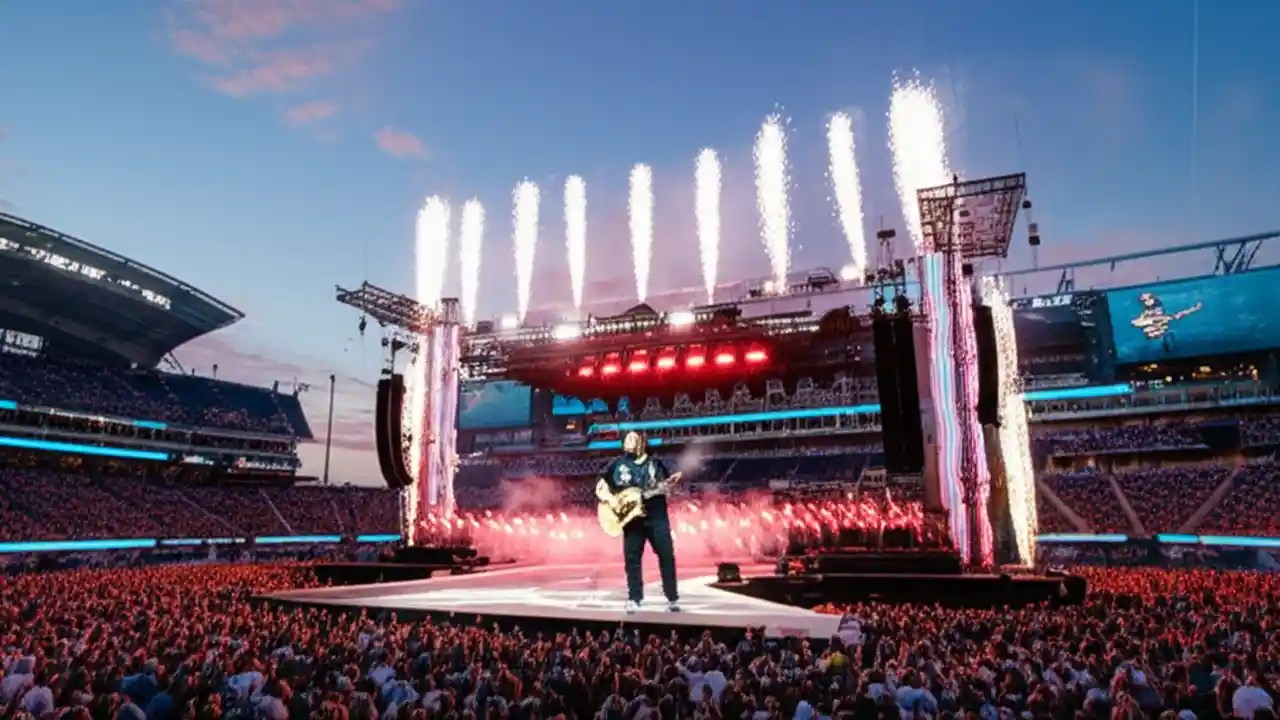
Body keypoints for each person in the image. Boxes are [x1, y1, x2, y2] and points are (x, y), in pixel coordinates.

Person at [595, 431, 681, 613]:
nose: (628, 441)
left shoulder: (655, 465)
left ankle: (672, 597)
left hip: (656, 517)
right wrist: (612, 500)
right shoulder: (617, 465)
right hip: (631, 521)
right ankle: (634, 597)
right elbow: (601, 487)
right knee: (632, 558)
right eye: (627, 437)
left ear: (642, 442)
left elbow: (664, 488)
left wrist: (663, 488)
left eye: (633, 438)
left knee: (666, 554)